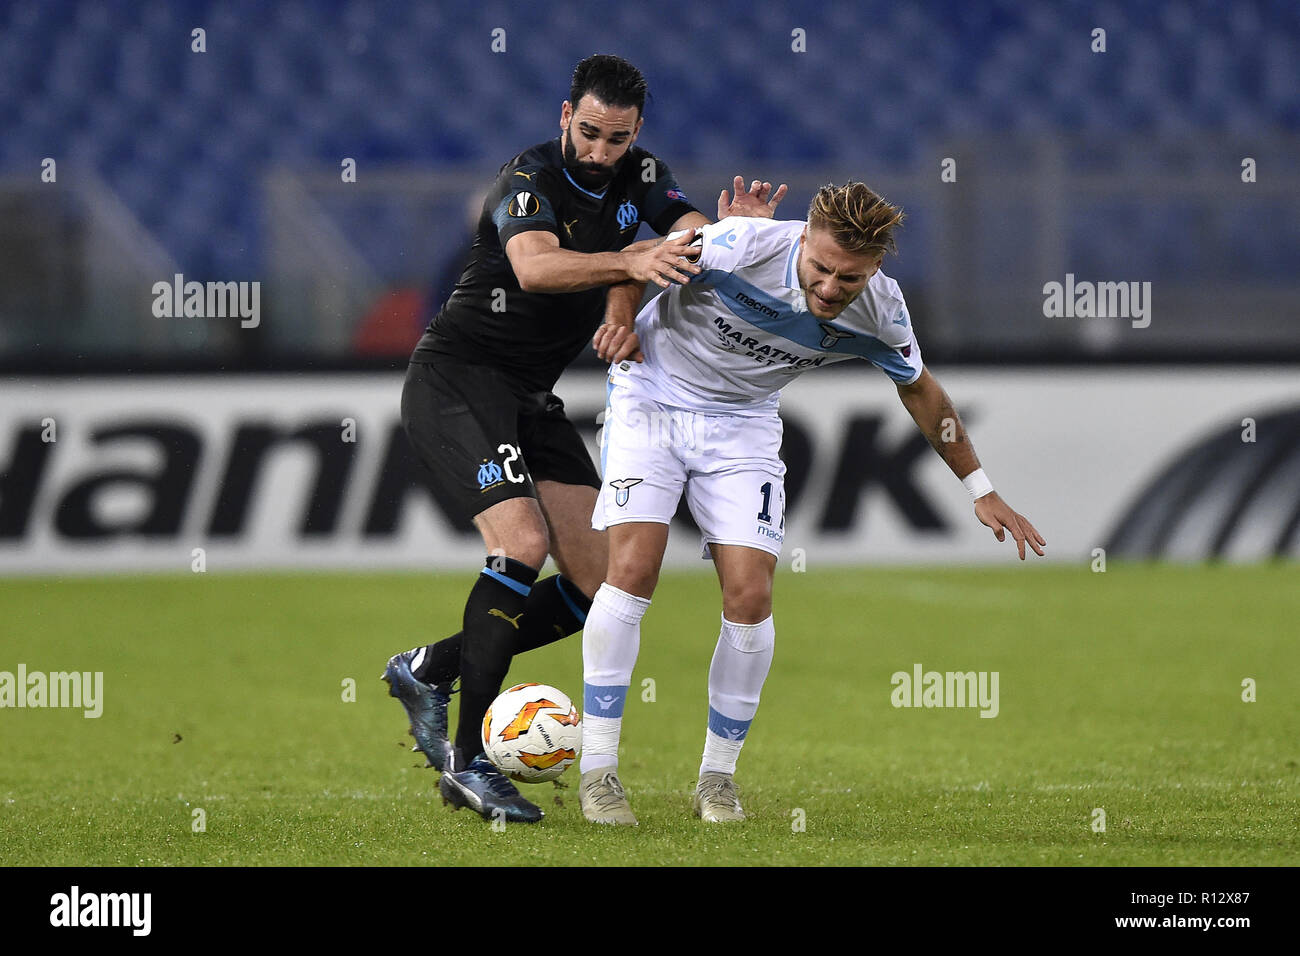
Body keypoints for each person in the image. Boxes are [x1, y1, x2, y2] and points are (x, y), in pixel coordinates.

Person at [382, 53, 786, 824]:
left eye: (617, 138)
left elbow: (688, 229)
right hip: (459, 380)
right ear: (566, 115)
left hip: (533, 400)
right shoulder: (526, 179)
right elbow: (534, 270)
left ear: (638, 133)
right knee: (522, 543)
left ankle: (429, 669)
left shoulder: (642, 175)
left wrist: (740, 237)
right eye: (590, 132)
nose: (601, 152)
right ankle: (467, 764)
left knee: (599, 589)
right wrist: (628, 262)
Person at [578, 182, 1046, 825]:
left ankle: (717, 780)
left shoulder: (881, 311)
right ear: (801, 238)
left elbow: (922, 393)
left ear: (874, 270)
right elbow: (640, 257)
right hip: (652, 397)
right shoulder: (741, 243)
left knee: (750, 594)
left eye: (849, 278)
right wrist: (619, 321)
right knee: (633, 569)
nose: (829, 288)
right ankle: (599, 770)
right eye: (820, 267)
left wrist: (981, 488)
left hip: (742, 423)